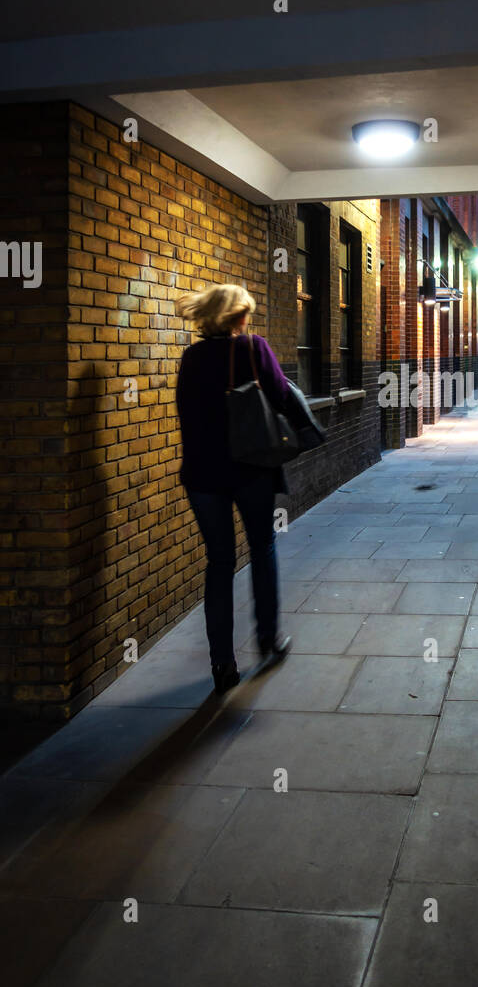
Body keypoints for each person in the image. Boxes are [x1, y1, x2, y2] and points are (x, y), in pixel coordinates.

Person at [175, 283, 292, 693]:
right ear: (235, 316)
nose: (249, 319)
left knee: (219, 563)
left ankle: (222, 664)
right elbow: (279, 396)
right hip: (251, 471)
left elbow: (186, 415)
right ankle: (268, 640)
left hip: (204, 476)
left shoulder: (190, 358)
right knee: (262, 549)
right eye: (246, 312)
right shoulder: (253, 348)